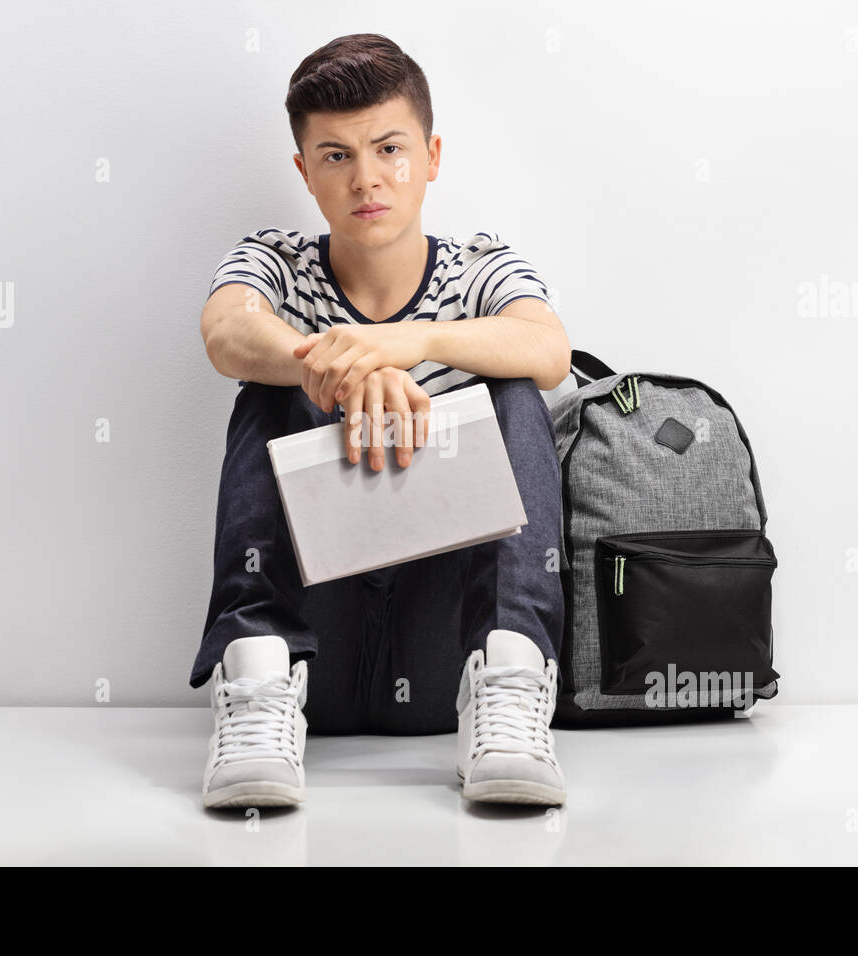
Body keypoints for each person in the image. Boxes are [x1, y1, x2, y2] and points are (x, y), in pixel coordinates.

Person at [191, 33, 571, 810]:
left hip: (451, 656)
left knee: (517, 388)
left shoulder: (480, 267)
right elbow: (224, 332)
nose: (367, 178)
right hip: (310, 652)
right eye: (335, 156)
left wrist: (412, 341)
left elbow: (550, 348)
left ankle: (510, 684)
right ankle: (255, 678)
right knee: (267, 387)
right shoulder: (277, 261)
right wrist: (325, 364)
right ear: (304, 172)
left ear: (431, 156)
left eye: (389, 148)